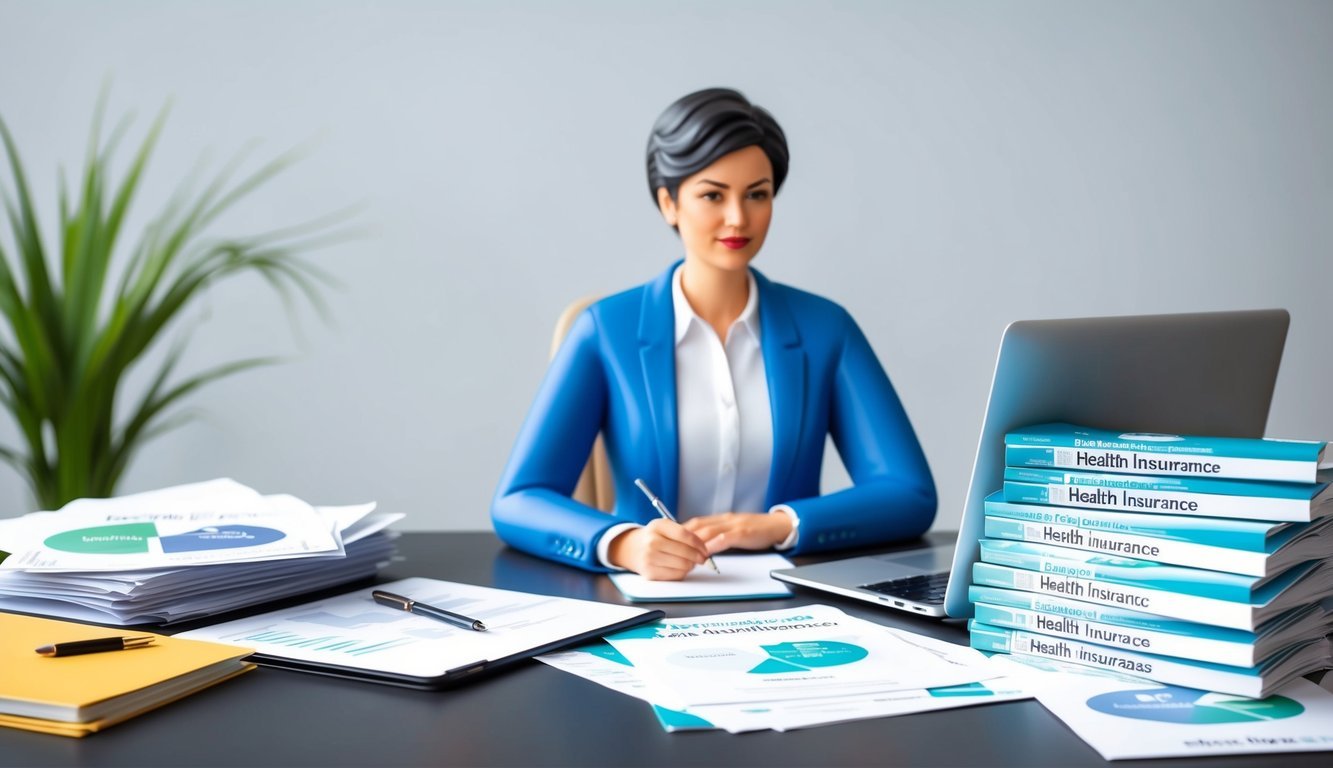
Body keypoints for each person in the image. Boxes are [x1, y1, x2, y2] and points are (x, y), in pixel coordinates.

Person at [492, 88, 936, 580]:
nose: (738, 218)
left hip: (792, 600)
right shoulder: (604, 330)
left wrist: (781, 524)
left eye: (757, 194)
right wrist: (624, 544)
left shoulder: (825, 328)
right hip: (647, 600)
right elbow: (519, 499)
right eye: (712, 195)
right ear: (669, 203)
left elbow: (908, 491)